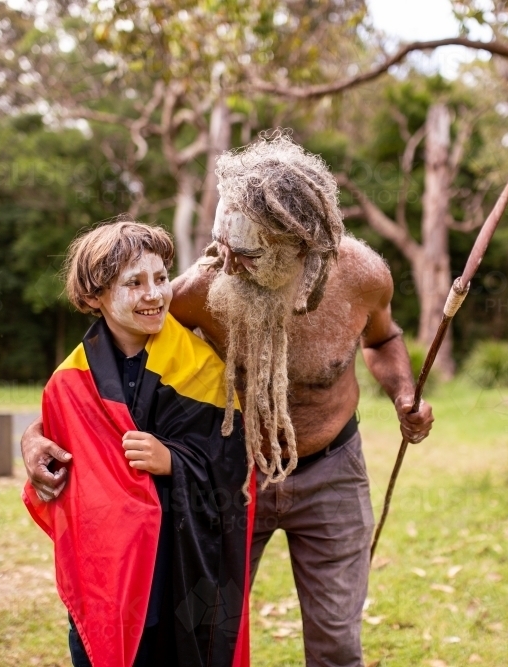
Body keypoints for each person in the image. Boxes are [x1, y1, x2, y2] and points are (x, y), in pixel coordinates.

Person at [23, 133, 434, 667]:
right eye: (220, 245)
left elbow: (383, 341)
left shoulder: (361, 278)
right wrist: (39, 435)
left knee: (336, 641)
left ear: (299, 246)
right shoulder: (196, 293)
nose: (223, 264)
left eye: (244, 253)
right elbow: (105, 375)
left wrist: (404, 393)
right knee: (207, 625)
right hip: (230, 480)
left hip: (333, 469)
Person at [22, 219, 253, 667]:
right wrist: (37, 455)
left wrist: (174, 461)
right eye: (135, 282)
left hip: (180, 569)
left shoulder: (201, 367)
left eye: (161, 278)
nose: (154, 294)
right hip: (107, 572)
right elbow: (63, 469)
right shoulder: (70, 382)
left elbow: (235, 462)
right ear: (94, 297)